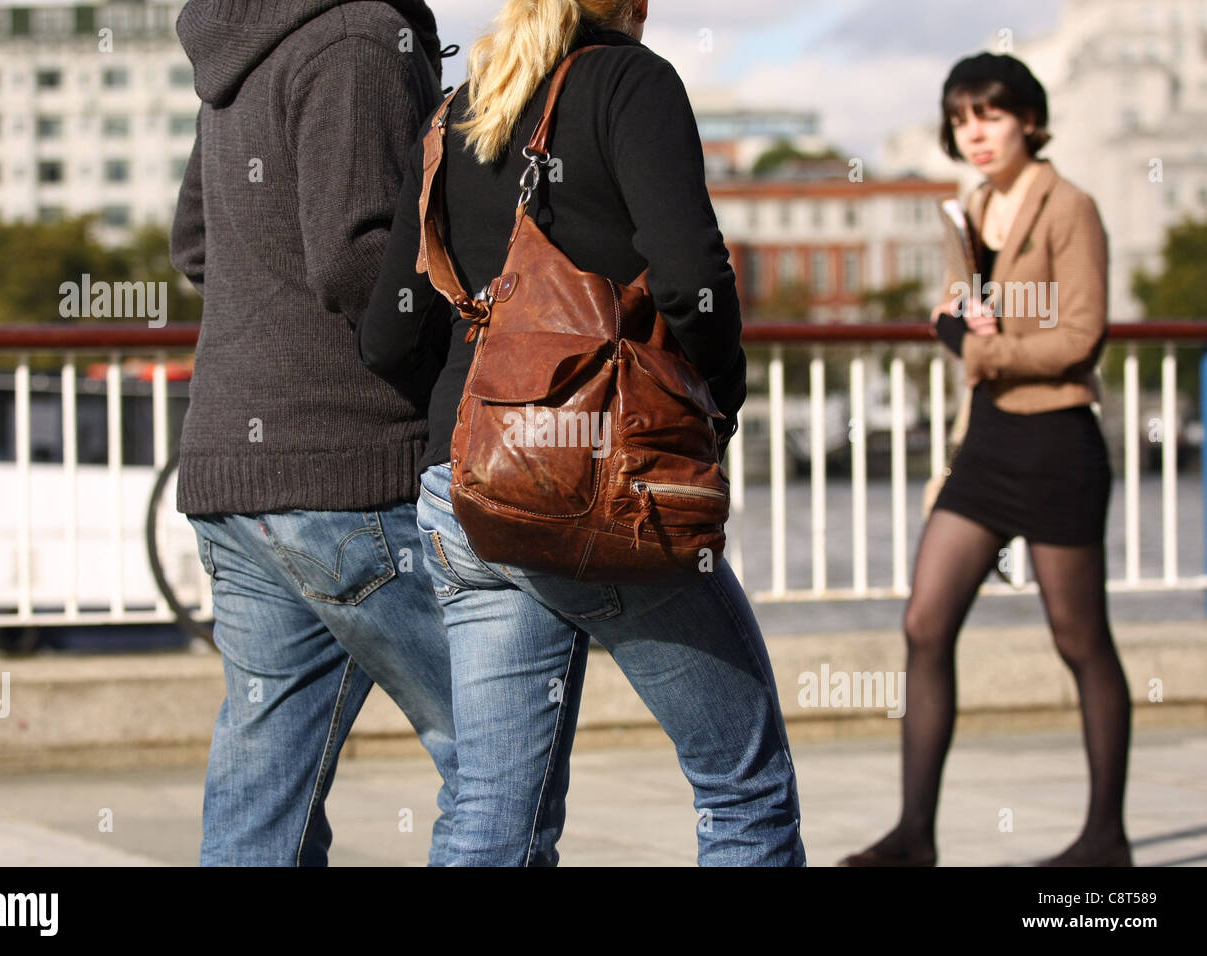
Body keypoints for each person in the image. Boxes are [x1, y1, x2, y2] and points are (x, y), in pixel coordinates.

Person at [357, 0, 805, 866]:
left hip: (467, 488)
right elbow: (691, 280)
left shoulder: (457, 112)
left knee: (493, 810)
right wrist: (716, 407)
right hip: (602, 488)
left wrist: (474, 409)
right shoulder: (631, 82)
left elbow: (388, 335)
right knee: (742, 787)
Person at [169, 0, 461, 866]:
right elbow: (357, 257)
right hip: (350, 470)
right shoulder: (362, 35)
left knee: (265, 797)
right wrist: (466, 351)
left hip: (238, 477)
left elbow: (193, 245)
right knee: (501, 751)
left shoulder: (243, 42)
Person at [840, 52, 1131, 867]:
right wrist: (956, 329)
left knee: (1081, 642)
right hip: (988, 445)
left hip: (1056, 443)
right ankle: (915, 837)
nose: (975, 133)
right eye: (962, 118)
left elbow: (1082, 337)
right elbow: (957, 315)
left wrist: (980, 349)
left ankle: (1106, 840)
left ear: (1029, 121)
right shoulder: (969, 208)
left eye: (991, 116)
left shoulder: (1071, 207)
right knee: (924, 621)